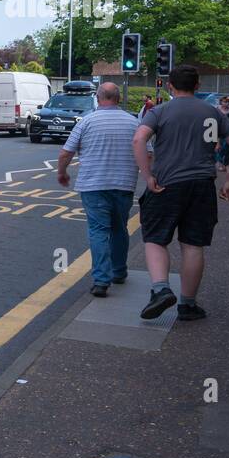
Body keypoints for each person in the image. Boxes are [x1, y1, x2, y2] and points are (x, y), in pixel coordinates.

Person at [132, 65, 229, 322]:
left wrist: (147, 175)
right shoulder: (213, 113)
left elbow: (139, 140)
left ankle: (161, 289)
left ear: (170, 86)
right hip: (202, 185)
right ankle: (187, 305)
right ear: (197, 86)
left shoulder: (160, 111)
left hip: (166, 184)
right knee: (193, 245)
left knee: (154, 238)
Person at [56, 83, 139, 297]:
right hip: (124, 184)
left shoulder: (87, 122)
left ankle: (102, 280)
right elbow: (147, 153)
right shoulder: (133, 122)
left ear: (98, 98)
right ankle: (119, 272)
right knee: (119, 228)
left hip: (93, 185)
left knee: (99, 231)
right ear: (118, 98)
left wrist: (62, 173)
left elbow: (66, 153)